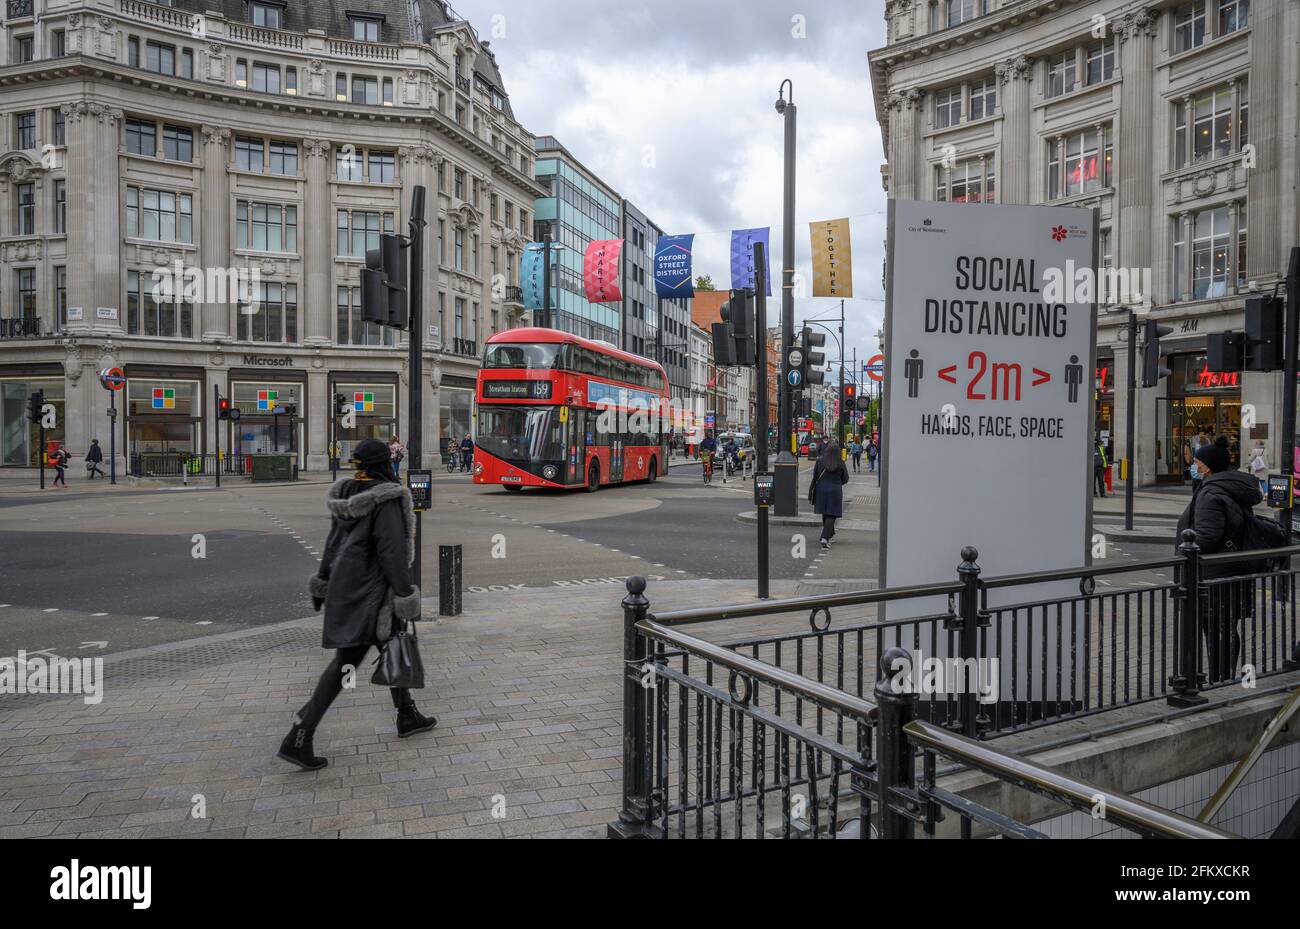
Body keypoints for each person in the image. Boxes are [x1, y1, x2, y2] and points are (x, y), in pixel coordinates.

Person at [280, 438, 435, 770]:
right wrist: (405, 595)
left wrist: (322, 581)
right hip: (374, 594)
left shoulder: (347, 493)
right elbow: (391, 553)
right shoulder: (387, 499)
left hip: (345, 586)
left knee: (392, 644)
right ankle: (299, 734)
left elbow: (333, 542)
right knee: (345, 664)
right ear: (386, 464)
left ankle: (407, 714)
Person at [1174, 436, 1261, 684]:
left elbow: (1207, 537)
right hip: (1230, 572)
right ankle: (1221, 678)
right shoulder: (1229, 487)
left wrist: (1185, 550)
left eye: (1198, 461)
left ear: (1208, 466)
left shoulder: (1211, 493)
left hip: (1213, 576)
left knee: (1216, 630)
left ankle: (1216, 681)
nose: (1195, 465)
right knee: (1225, 629)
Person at [810, 441, 849, 549]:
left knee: (825, 512)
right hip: (835, 490)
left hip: (821, 490)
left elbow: (815, 475)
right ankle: (825, 537)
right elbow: (845, 478)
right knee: (832, 514)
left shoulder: (820, 461)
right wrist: (837, 482)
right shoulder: (840, 462)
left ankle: (829, 535)